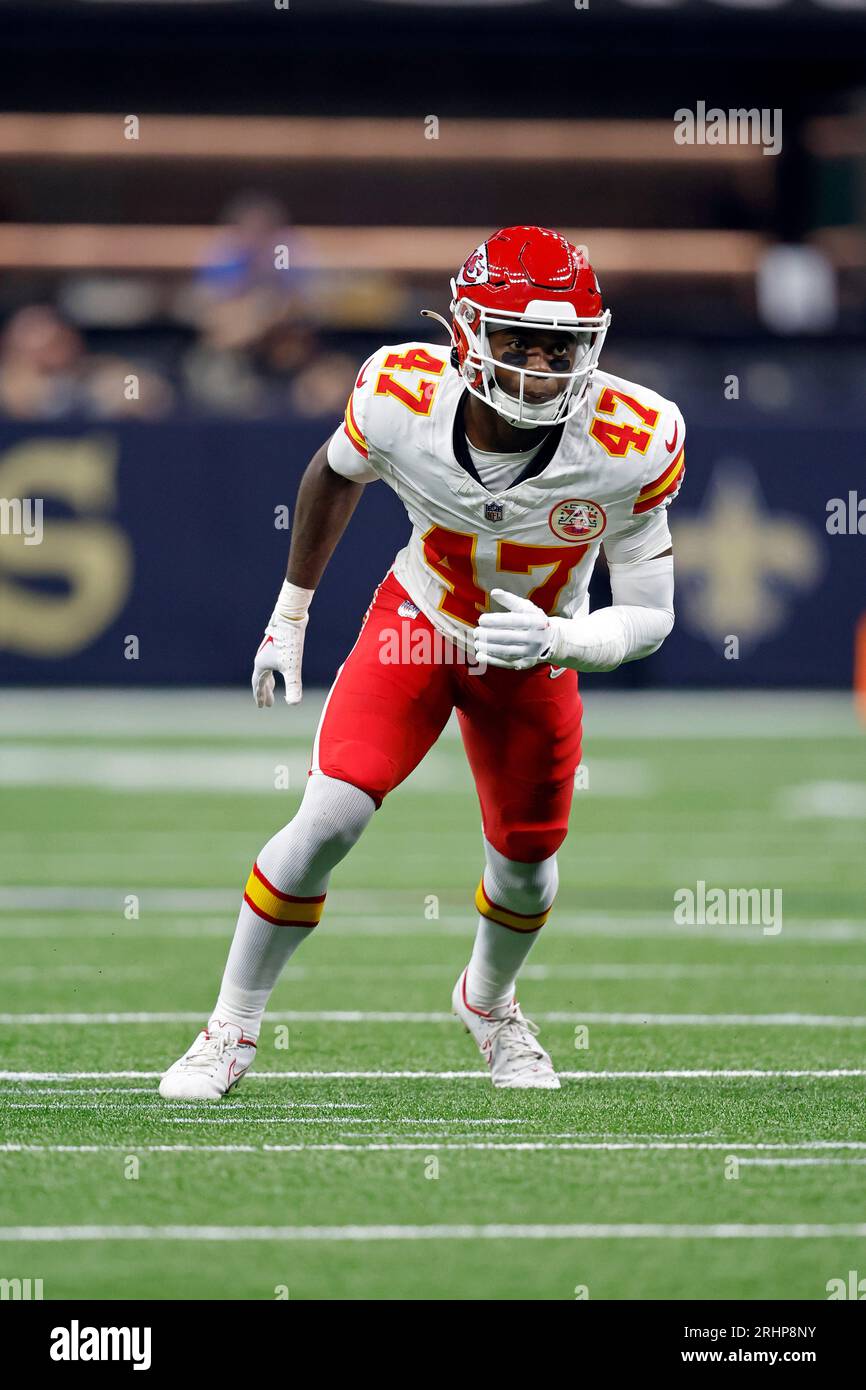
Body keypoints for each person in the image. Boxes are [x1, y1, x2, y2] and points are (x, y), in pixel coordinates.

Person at [160, 225, 685, 1098]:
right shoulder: (401, 394)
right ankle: (228, 1029)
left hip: (533, 647)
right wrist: (290, 617)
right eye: (516, 341)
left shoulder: (634, 439)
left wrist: (558, 640)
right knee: (328, 817)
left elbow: (652, 618)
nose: (539, 367)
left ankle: (490, 1003)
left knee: (526, 863)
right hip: (422, 620)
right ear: (466, 333)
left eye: (559, 348)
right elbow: (333, 473)